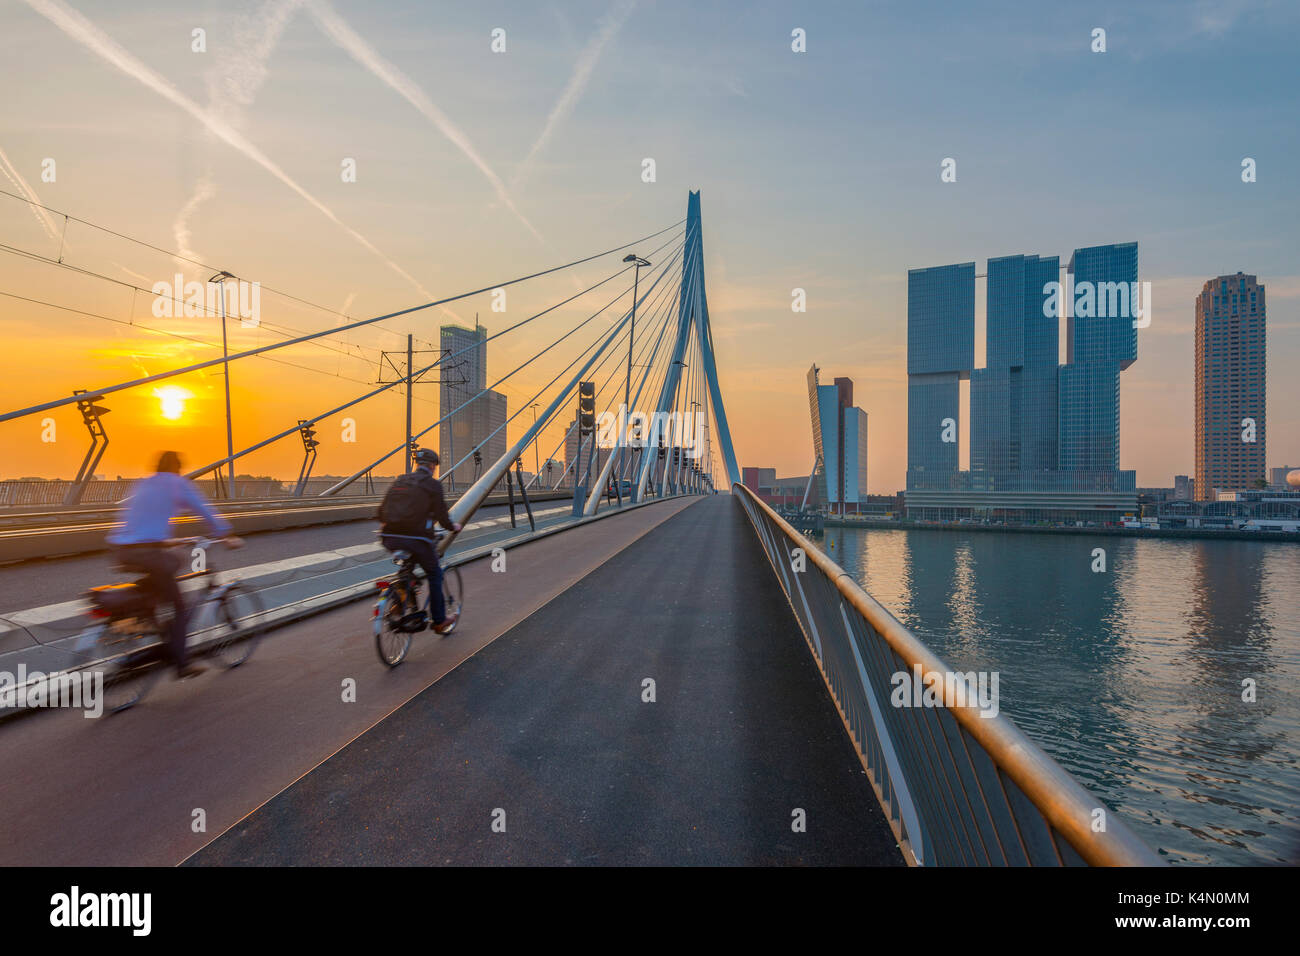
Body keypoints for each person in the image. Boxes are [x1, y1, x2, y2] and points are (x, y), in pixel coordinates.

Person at [106, 451, 242, 678]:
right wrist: (226, 535)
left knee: (164, 574)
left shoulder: (144, 483)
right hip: (148, 552)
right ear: (177, 469)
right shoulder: (177, 483)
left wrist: (169, 540)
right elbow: (204, 509)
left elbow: (140, 521)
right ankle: (182, 663)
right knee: (180, 603)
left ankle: (153, 623)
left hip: (121, 550)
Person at [379, 448, 462, 634]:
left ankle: (401, 598)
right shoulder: (433, 485)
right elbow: (442, 515)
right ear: (432, 466)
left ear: (418, 464)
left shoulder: (400, 480)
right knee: (434, 574)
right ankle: (439, 621)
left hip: (389, 538)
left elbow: (380, 511)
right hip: (417, 539)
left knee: (408, 569)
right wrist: (453, 527)